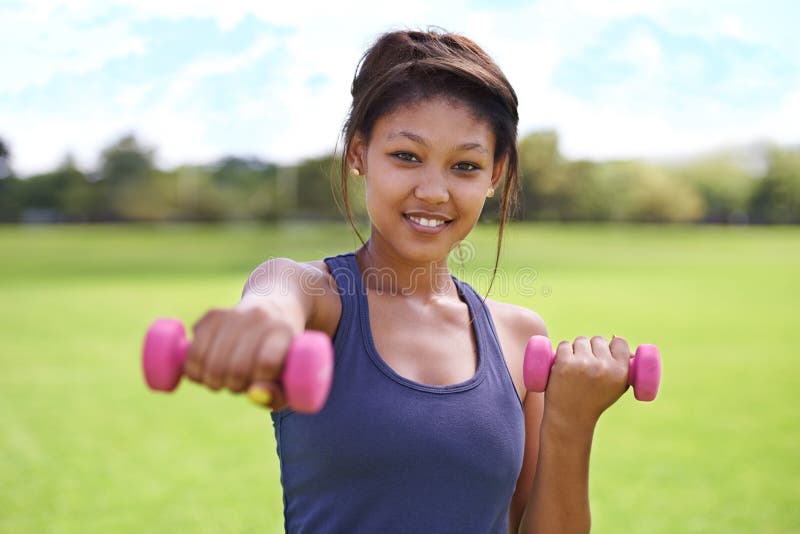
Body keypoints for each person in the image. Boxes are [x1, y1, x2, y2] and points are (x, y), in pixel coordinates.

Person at [183, 28, 634, 533]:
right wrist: (258, 326)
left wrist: (571, 426)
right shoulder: (315, 299)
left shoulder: (520, 336)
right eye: (406, 156)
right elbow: (272, 299)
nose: (434, 191)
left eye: (464, 165)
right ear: (358, 153)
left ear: (495, 174)